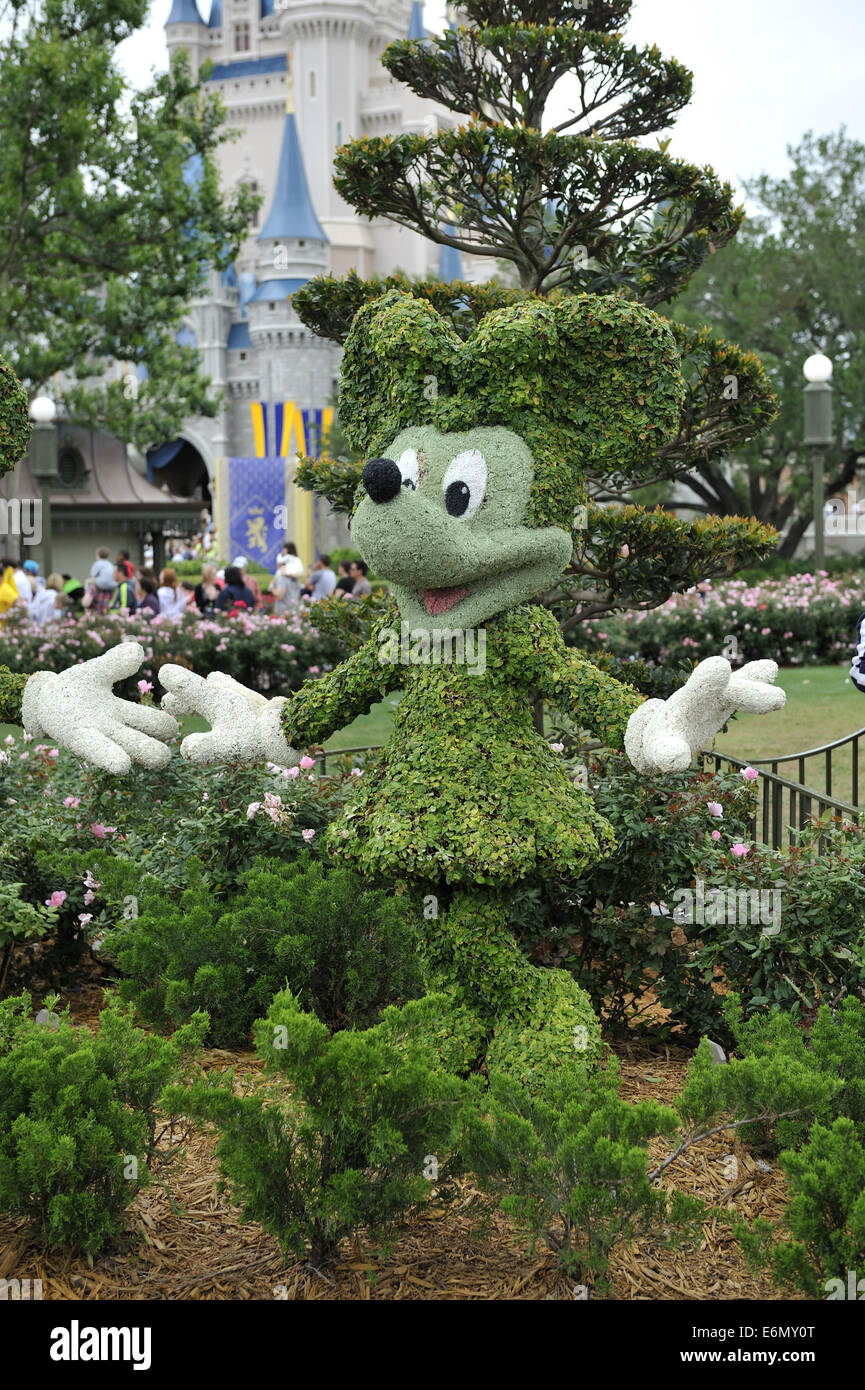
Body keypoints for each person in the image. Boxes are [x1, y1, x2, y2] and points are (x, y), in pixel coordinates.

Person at [89, 548, 115, 613]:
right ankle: (105, 610)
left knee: (88, 582)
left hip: (101, 585)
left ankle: (89, 604)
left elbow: (93, 575)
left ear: (98, 555)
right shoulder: (110, 564)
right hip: (112, 586)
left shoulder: (97, 563)